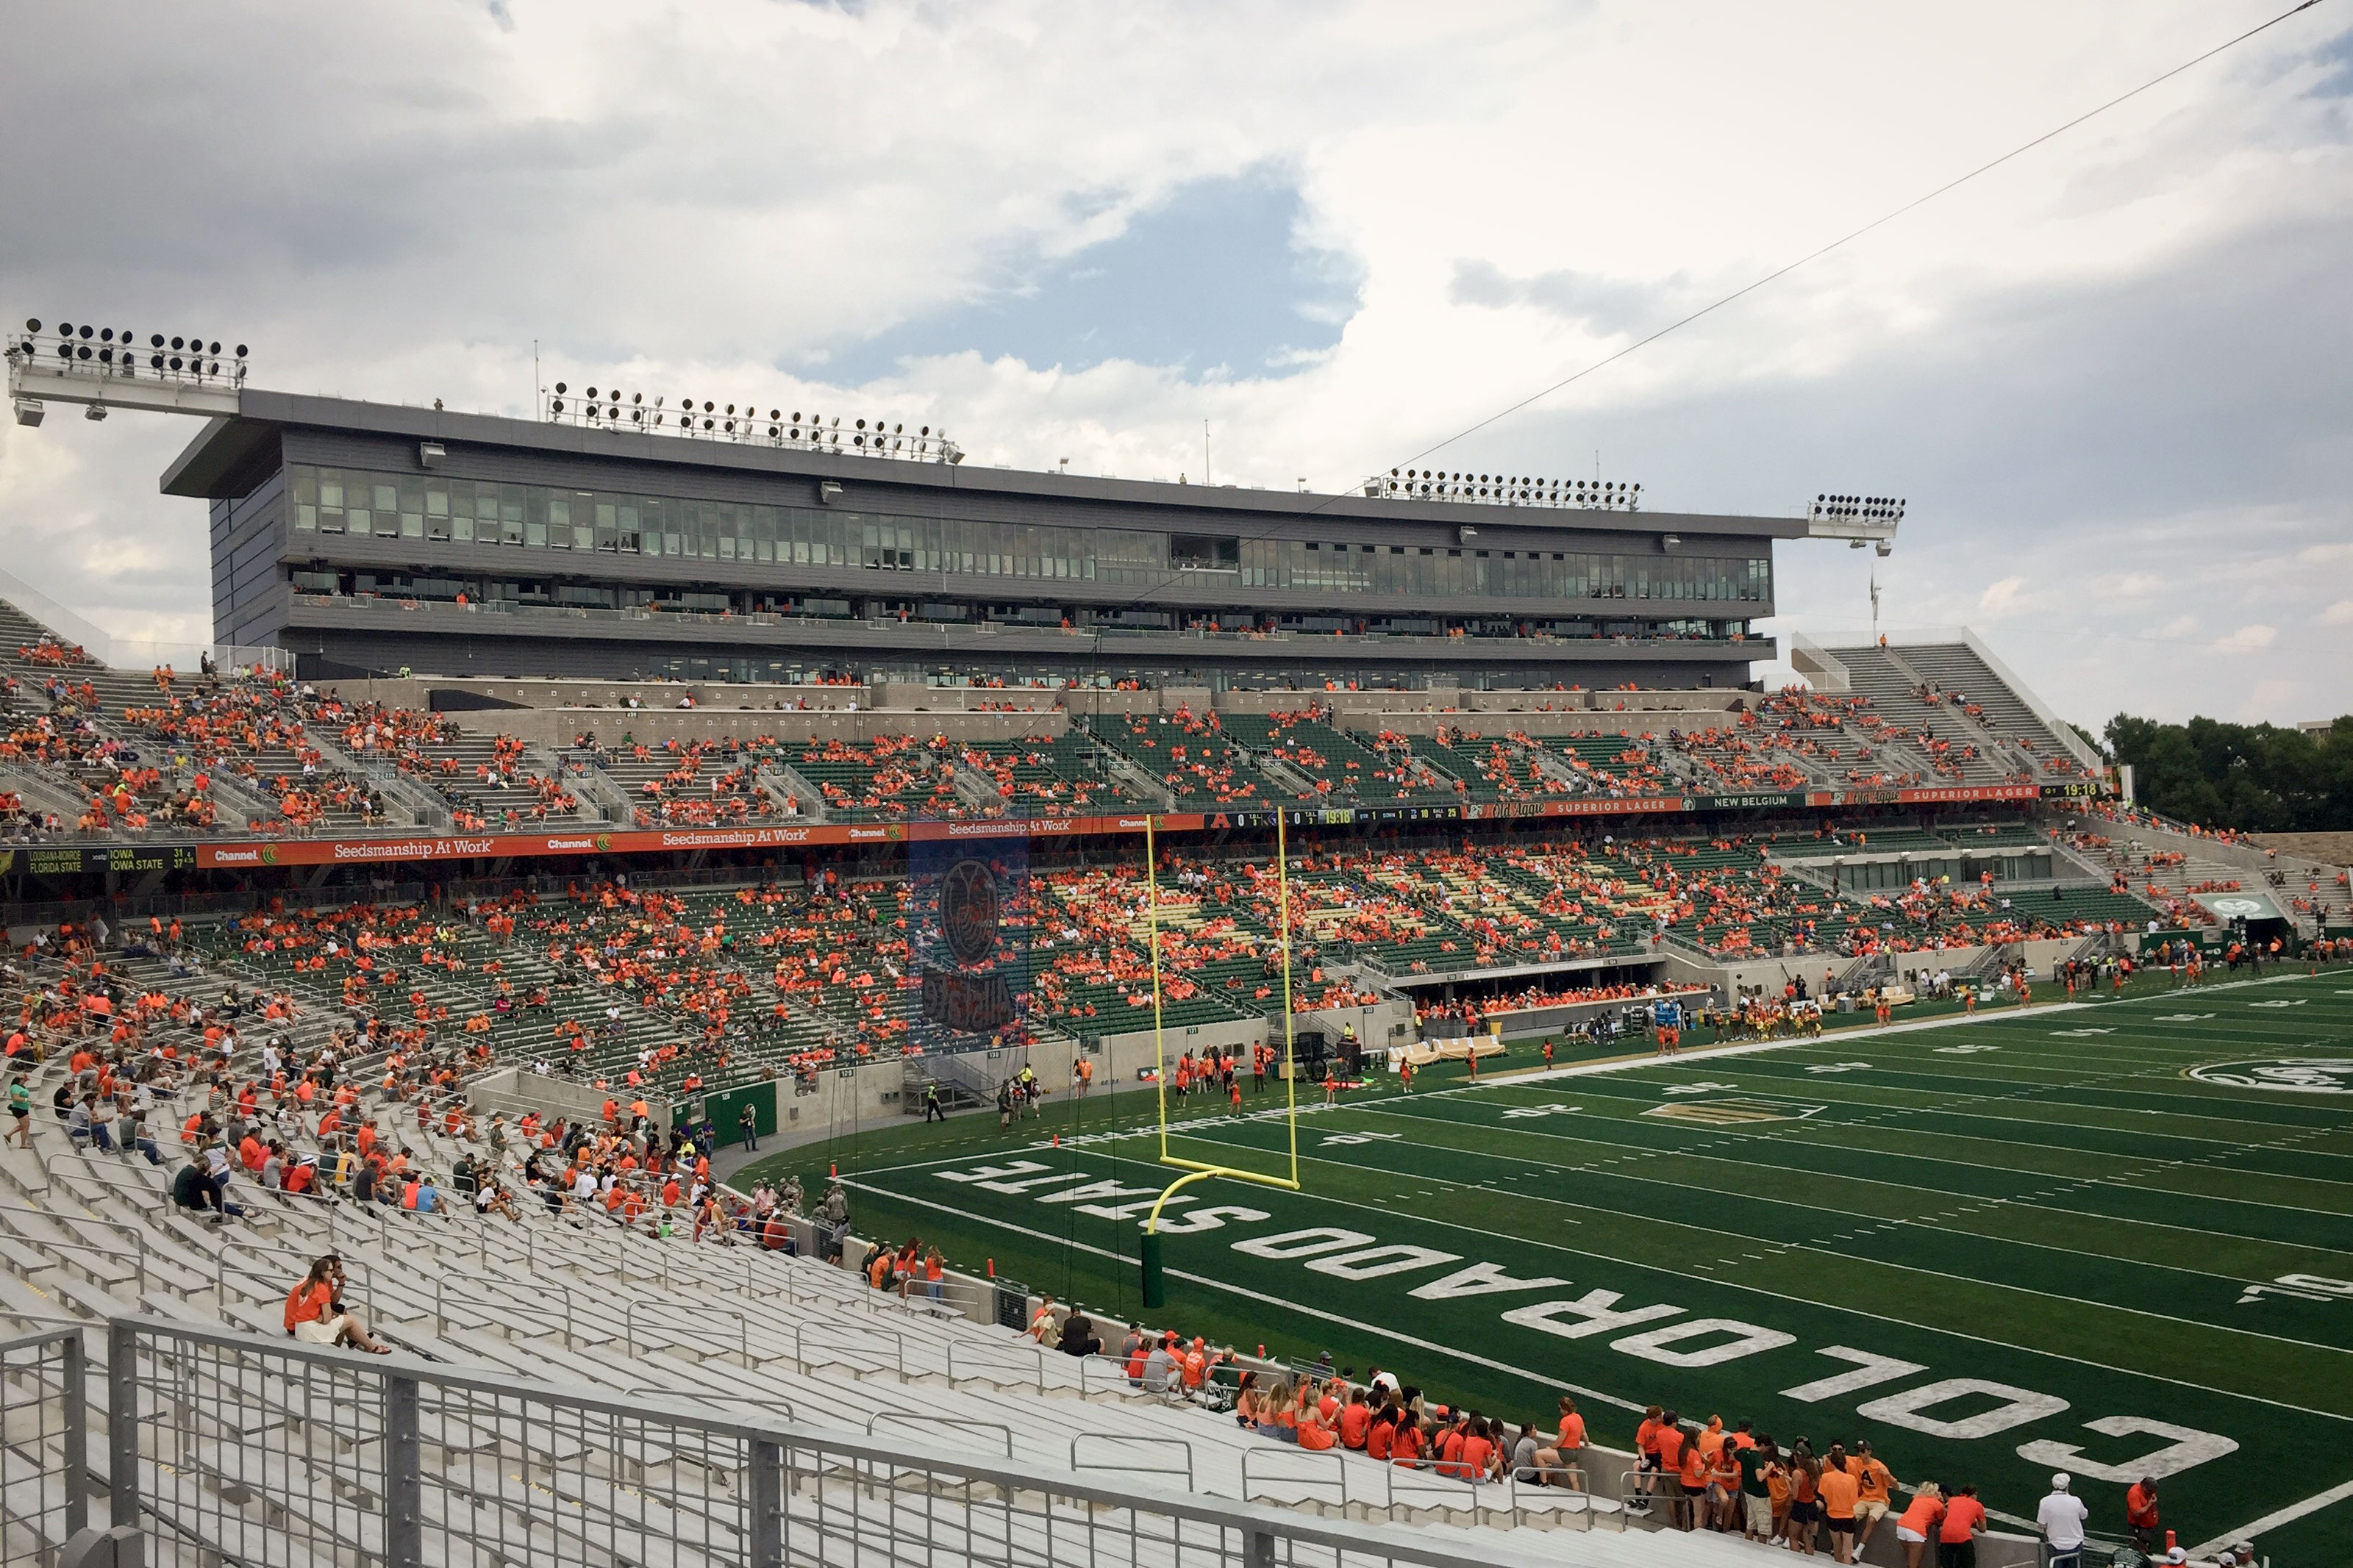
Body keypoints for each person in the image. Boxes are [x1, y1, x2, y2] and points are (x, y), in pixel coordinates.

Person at [282, 1256, 390, 1353]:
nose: (340, 1270)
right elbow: (327, 1317)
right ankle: (366, 1347)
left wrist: (341, 1283)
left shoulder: (315, 1281)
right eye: (337, 1267)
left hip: (301, 1324)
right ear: (325, 1272)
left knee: (342, 1314)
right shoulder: (320, 1287)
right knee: (347, 1319)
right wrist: (330, 1316)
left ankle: (353, 1340)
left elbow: (333, 1301)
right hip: (297, 1326)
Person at [2035, 1472, 2088, 1568]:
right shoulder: (2075, 1501)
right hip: (2075, 1544)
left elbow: (2041, 1524)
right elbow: (2084, 1515)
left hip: (2056, 1545)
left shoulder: (2045, 1502)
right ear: (2067, 1486)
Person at [1935, 1483, 1986, 1568]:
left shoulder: (1952, 1500)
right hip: (1962, 1537)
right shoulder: (1977, 1505)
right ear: (1974, 1494)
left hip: (1945, 1536)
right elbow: (1983, 1528)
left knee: (1946, 1564)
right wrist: (1975, 1522)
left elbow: (1946, 1512)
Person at [1894, 1482, 1944, 1568]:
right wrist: (1942, 1502)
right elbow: (1942, 1519)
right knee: (1913, 1564)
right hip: (1916, 1531)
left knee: (1912, 1561)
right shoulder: (1937, 1504)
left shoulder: (1917, 1498)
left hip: (1901, 1527)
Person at [2124, 1477, 2161, 1553]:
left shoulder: (2149, 1491)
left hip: (2148, 1526)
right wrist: (2150, 1504)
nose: (2152, 1493)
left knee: (2147, 1547)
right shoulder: (2134, 1494)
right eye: (2150, 1492)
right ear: (2144, 1487)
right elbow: (2137, 1513)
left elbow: (2153, 1493)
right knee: (2139, 1550)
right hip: (2140, 1528)